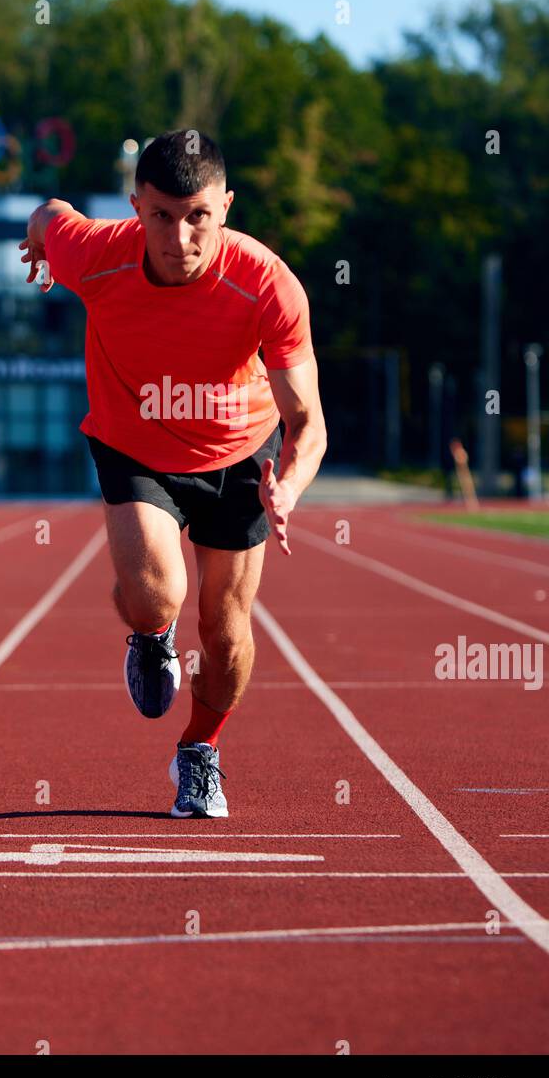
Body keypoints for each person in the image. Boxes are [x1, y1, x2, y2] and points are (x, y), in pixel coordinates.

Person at [20, 130, 327, 817]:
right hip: (133, 446)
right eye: (160, 215)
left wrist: (290, 487)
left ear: (224, 206)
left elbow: (306, 421)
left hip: (239, 456)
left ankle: (199, 752)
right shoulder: (96, 254)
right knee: (158, 595)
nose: (180, 237)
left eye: (198, 217)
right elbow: (49, 212)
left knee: (222, 630)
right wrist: (38, 237)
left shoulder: (268, 285)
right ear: (136, 207)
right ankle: (149, 633)